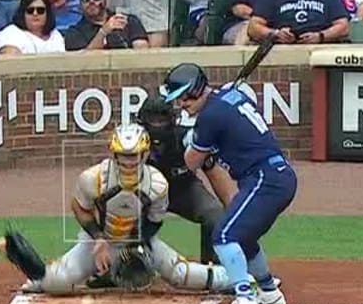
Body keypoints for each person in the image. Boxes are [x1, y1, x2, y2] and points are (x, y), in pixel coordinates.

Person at [21, 123, 231, 294]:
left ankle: (231, 278)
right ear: (114, 154)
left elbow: (154, 221)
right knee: (58, 283)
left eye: (134, 155)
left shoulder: (157, 184)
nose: (129, 162)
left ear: (145, 154)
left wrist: (136, 245)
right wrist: (98, 238)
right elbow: (79, 206)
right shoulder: (93, 178)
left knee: (180, 273)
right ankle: (42, 279)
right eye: (123, 156)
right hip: (98, 242)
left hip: (140, 240)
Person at [168, 62, 294, 304]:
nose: (181, 104)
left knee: (225, 235)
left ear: (196, 90)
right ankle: (269, 293)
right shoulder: (230, 98)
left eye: (184, 98)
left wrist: (190, 139)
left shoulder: (210, 117)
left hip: (266, 179)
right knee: (243, 237)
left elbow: (191, 162)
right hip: (273, 177)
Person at [138, 96, 230, 265]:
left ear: (173, 120)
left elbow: (211, 167)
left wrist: (230, 204)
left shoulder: (188, 137)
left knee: (214, 213)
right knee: (121, 213)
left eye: (162, 120)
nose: (157, 125)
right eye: (153, 120)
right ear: (142, 121)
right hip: (144, 193)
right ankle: (127, 263)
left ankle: (213, 267)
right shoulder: (132, 139)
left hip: (183, 189)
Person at [64, 0, 149, 50]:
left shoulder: (129, 21)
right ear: (80, 0)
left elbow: (142, 53)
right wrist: (103, 32)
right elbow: (83, 60)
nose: (91, 1)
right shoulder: (74, 33)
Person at [0, 0, 68, 55]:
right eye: (30, 10)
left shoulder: (55, 34)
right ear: (23, 13)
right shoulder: (11, 33)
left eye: (40, 10)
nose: (35, 13)